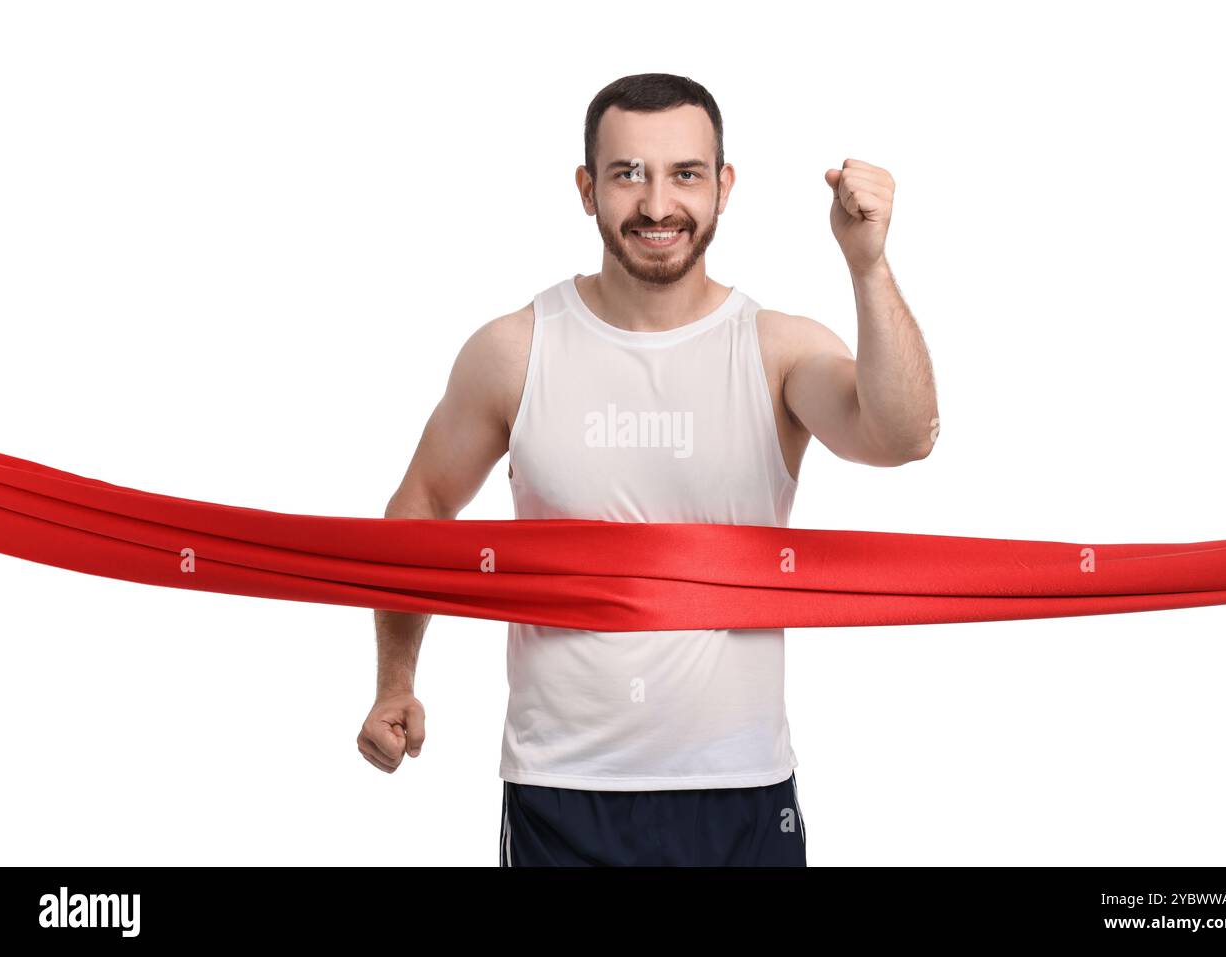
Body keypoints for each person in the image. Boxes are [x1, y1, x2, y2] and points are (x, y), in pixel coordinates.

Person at [355, 73, 939, 866]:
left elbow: (903, 434)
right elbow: (420, 506)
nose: (658, 204)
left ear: (723, 186)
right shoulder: (516, 351)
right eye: (629, 173)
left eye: (685, 174)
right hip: (562, 790)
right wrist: (396, 681)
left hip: (741, 787)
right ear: (587, 188)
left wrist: (868, 267)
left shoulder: (776, 350)